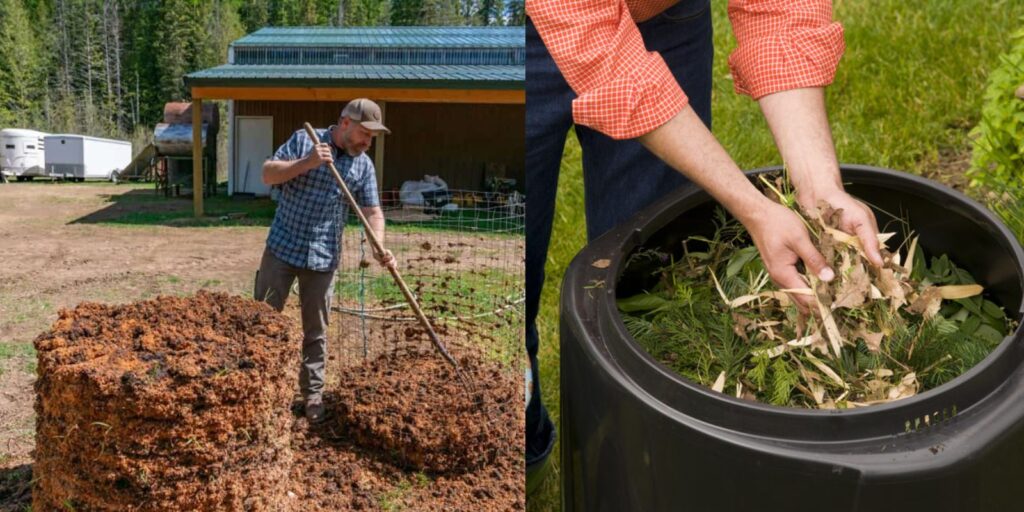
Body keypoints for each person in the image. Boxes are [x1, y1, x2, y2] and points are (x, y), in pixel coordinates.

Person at [524, 0, 884, 492]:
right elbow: (597, 43)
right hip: (518, 36)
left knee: (653, 279)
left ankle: (646, 470)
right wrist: (753, 209)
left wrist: (819, 188)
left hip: (664, 19)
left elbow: (780, 10)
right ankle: (525, 449)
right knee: (511, 278)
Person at [255, 98, 396, 424]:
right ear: (345, 123)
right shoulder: (306, 140)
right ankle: (260, 389)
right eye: (364, 133)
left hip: (323, 259)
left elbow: (373, 211)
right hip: (281, 250)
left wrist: (378, 244)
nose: (367, 142)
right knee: (263, 321)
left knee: (315, 333)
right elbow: (267, 174)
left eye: (372, 137)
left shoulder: (363, 165)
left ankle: (312, 397)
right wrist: (306, 162)